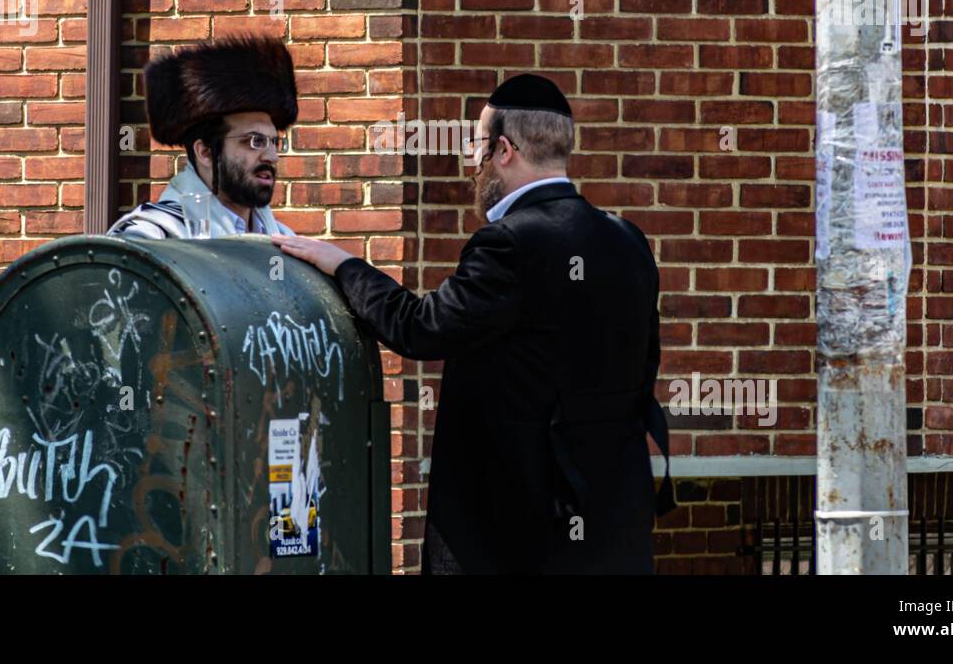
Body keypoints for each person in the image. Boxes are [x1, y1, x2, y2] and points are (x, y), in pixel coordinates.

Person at [273, 73, 674, 574]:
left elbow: (420, 327)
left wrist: (343, 265)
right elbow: (644, 368)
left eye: (476, 145)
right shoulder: (628, 240)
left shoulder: (510, 242)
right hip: (615, 527)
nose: (470, 160)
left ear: (503, 150)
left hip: (520, 537)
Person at [108, 34, 297, 240]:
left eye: (274, 142)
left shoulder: (286, 241)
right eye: (255, 141)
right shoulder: (151, 238)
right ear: (206, 152)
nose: (272, 156)